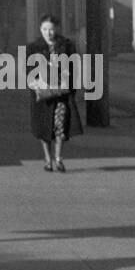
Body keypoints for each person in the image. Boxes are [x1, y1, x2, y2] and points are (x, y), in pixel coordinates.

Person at [25, 14, 83, 172]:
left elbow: (74, 67)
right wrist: (36, 83)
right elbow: (29, 70)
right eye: (44, 29)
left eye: (51, 29)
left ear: (57, 29)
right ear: (40, 29)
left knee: (60, 125)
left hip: (61, 93)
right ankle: (47, 160)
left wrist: (71, 86)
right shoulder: (33, 47)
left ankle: (58, 159)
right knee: (44, 128)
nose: (48, 33)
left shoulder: (67, 45)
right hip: (42, 94)